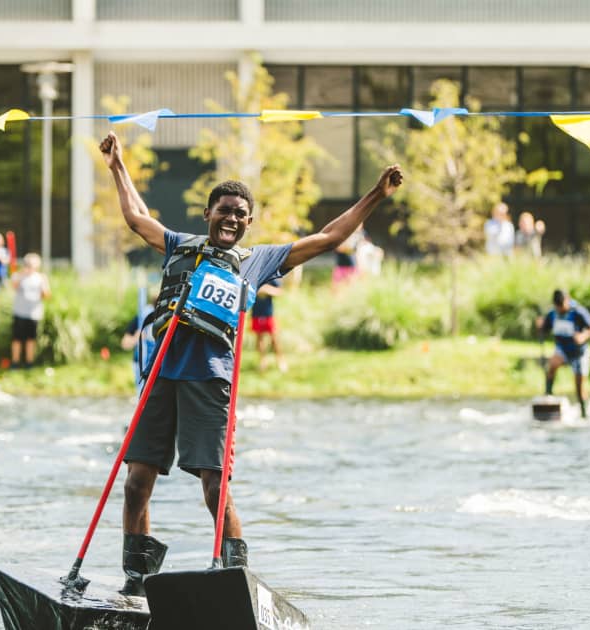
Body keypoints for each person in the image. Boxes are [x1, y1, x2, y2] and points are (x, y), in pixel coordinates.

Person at [100, 130, 402, 594]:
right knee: (136, 484)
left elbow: (329, 236)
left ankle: (233, 580)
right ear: (208, 215)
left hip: (210, 381)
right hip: (161, 378)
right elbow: (136, 216)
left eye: (241, 214)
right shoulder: (180, 244)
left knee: (214, 490)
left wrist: (376, 195)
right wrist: (118, 164)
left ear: (248, 222)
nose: (232, 218)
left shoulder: (256, 262)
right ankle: (137, 583)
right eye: (224, 210)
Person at [536, 289, 590, 418]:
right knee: (552, 365)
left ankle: (584, 413)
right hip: (562, 350)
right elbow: (545, 329)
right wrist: (540, 325)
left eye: (562, 306)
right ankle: (548, 396)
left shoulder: (578, 312)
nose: (560, 309)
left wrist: (583, 336)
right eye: (557, 307)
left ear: (567, 300)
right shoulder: (553, 314)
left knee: (579, 389)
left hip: (579, 353)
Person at [10, 253, 50, 369]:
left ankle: (29, 363)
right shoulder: (18, 275)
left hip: (33, 314)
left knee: (30, 339)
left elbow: (46, 295)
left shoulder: (41, 278)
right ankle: (15, 362)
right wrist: (21, 274)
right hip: (19, 312)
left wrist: (44, 285)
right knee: (17, 339)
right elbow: (14, 286)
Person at [250, 277, 286, 372]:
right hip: (256, 313)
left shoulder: (270, 277)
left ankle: (280, 361)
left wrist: (266, 290)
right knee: (259, 339)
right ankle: (263, 362)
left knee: (275, 339)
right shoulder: (255, 276)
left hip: (268, 313)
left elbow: (280, 291)